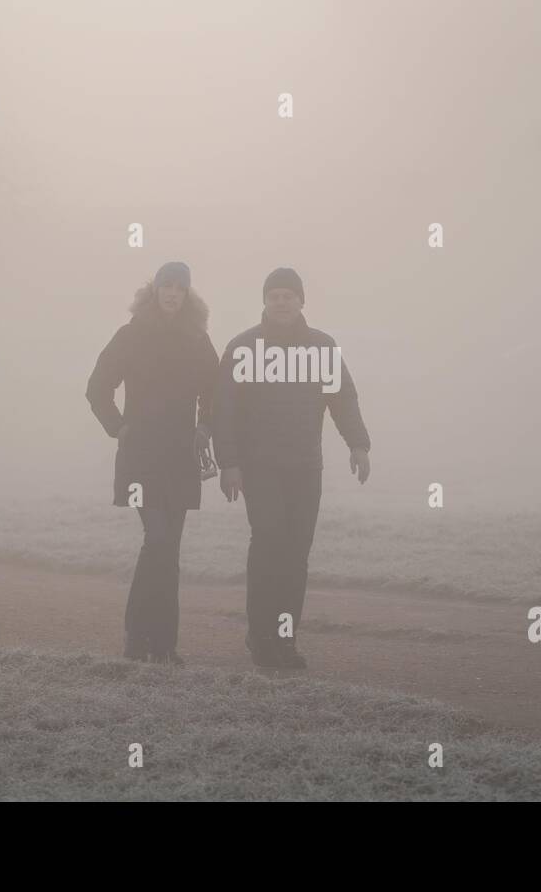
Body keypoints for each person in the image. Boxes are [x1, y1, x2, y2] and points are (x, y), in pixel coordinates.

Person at [214, 267, 371, 669]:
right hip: (260, 468)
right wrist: (229, 463)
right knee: (268, 543)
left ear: (301, 301)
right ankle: (260, 636)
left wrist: (358, 444)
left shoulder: (322, 348)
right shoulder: (243, 347)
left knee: (296, 553)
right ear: (265, 302)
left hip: (305, 468)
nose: (281, 302)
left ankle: (285, 640)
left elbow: (343, 399)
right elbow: (225, 409)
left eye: (288, 295)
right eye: (274, 296)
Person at [86, 262, 219, 664]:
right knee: (158, 539)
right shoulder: (130, 335)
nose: (172, 293)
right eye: (166, 286)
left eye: (180, 287)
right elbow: (97, 389)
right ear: (154, 290)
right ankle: (137, 637)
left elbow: (214, 391)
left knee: (168, 548)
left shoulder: (198, 339)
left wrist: (204, 427)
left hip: (180, 457)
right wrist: (119, 428)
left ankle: (161, 645)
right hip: (140, 457)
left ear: (187, 293)